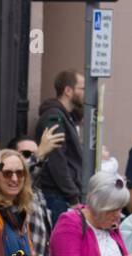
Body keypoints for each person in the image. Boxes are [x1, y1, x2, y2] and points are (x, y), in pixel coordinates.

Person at [33, 69, 85, 221]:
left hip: (61, 196)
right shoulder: (54, 118)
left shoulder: (65, 117)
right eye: (82, 88)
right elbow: (57, 161)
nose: (86, 93)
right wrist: (73, 196)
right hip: (57, 197)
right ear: (68, 91)